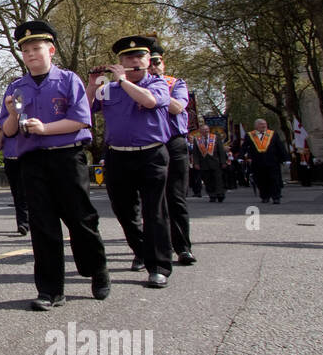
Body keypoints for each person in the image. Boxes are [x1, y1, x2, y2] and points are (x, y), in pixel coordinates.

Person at [2, 21, 109, 310]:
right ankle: (50, 290)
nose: (31, 55)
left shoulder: (68, 80)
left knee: (80, 219)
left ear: (51, 50)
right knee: (42, 225)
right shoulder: (16, 87)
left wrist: (45, 129)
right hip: (32, 161)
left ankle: (96, 270)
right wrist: (12, 114)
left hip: (66, 156)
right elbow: (9, 130)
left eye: (36, 49)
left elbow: (81, 119)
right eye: (25, 51)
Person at [90, 35, 172, 289]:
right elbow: (85, 107)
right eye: (128, 58)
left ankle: (158, 267)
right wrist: (93, 83)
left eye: (139, 57)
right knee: (124, 211)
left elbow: (147, 101)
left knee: (153, 211)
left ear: (148, 60)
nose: (134, 61)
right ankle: (142, 250)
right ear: (120, 61)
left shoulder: (157, 84)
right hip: (117, 155)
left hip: (151, 154)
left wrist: (123, 80)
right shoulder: (110, 89)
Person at [148, 44, 195, 265]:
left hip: (173, 142)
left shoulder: (175, 83)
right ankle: (150, 249)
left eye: (157, 62)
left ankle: (183, 247)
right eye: (150, 62)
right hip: (150, 143)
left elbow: (177, 107)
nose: (153, 66)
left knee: (175, 197)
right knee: (150, 200)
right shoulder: (137, 86)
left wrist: (157, 90)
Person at [0, 50, 32, 236]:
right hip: (12, 153)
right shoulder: (13, 90)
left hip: (32, 151)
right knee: (18, 192)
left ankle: (35, 220)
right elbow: (5, 127)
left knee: (32, 191)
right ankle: (23, 223)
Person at [241, 118, 290, 204]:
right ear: (256, 126)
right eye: (261, 124)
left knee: (274, 180)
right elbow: (244, 147)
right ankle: (265, 196)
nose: (263, 126)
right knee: (261, 180)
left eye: (265, 124)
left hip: (272, 161)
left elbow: (280, 147)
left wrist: (285, 158)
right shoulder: (249, 135)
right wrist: (240, 157)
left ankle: (276, 197)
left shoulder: (273, 134)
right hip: (257, 162)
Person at [194, 122, 228, 202]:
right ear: (200, 131)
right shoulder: (197, 140)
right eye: (203, 130)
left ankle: (220, 194)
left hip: (216, 163)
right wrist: (196, 163)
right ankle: (212, 195)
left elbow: (221, 151)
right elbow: (195, 153)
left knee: (218, 179)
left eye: (206, 130)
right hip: (204, 163)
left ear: (209, 130)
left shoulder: (215, 137)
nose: (205, 131)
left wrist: (223, 162)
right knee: (207, 180)